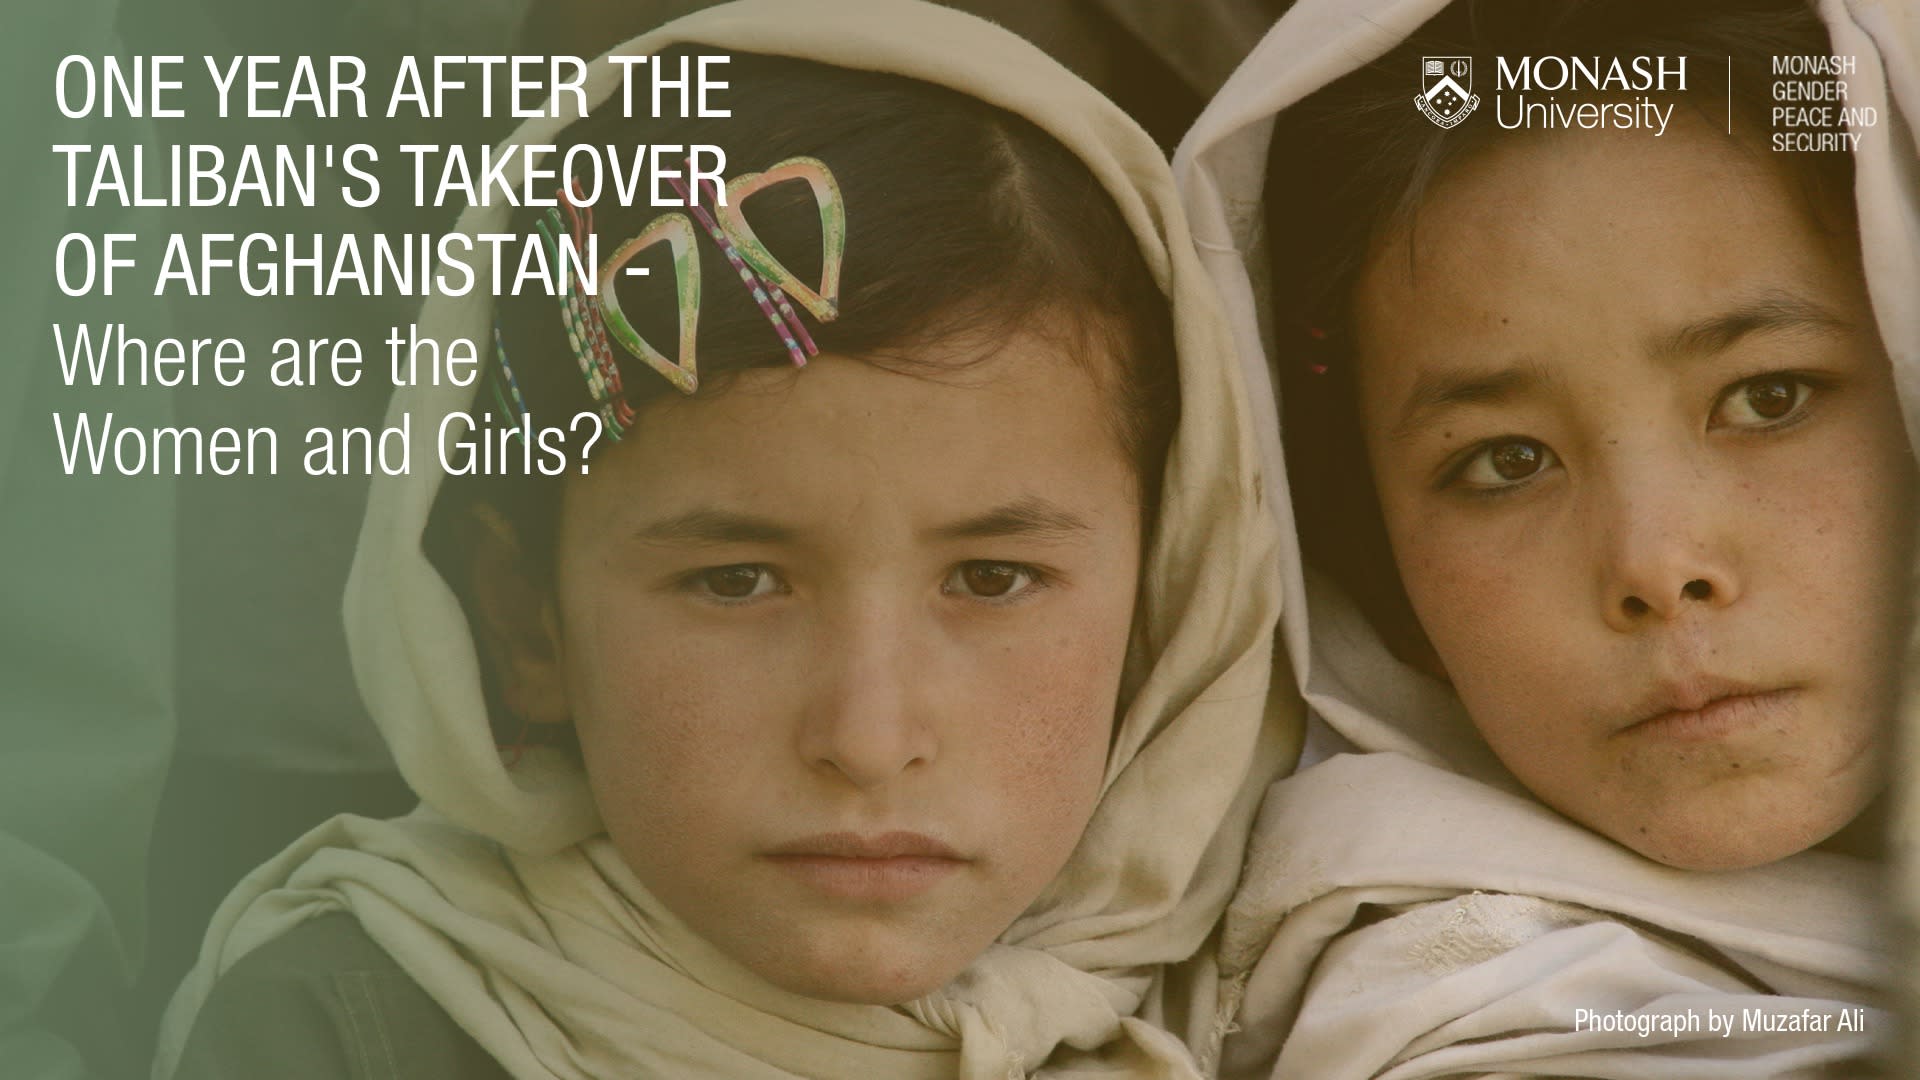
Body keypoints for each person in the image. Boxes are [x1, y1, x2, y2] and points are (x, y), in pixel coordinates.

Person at [152, 2, 1297, 1077]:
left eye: (993, 578)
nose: (866, 734)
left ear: (1170, 600)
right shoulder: (349, 1028)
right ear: (526, 622)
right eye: (738, 580)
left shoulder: (1313, 1000)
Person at [1176, 0, 1919, 1074]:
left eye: (1769, 396)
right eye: (1506, 462)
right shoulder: (1458, 1004)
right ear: (1370, 558)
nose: (1658, 567)